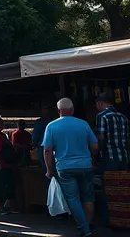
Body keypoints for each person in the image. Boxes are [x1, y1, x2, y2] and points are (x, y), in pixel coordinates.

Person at [43, 97, 98, 237]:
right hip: (85, 165)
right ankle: (89, 225)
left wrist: (49, 169)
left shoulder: (51, 126)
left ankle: (84, 228)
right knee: (88, 197)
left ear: (58, 111)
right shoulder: (84, 124)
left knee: (73, 198)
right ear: (72, 110)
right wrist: (92, 158)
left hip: (65, 168)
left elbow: (47, 150)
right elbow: (95, 145)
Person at [96, 93, 129, 172]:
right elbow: (128, 140)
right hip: (124, 157)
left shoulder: (101, 116)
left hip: (109, 157)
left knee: (110, 183)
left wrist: (97, 152)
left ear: (100, 103)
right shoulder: (123, 117)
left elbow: (101, 138)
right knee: (123, 183)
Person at [33, 105, 57, 176]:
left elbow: (35, 138)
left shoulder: (39, 122)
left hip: (43, 150)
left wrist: (33, 144)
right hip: (57, 150)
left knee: (48, 173)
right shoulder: (55, 121)